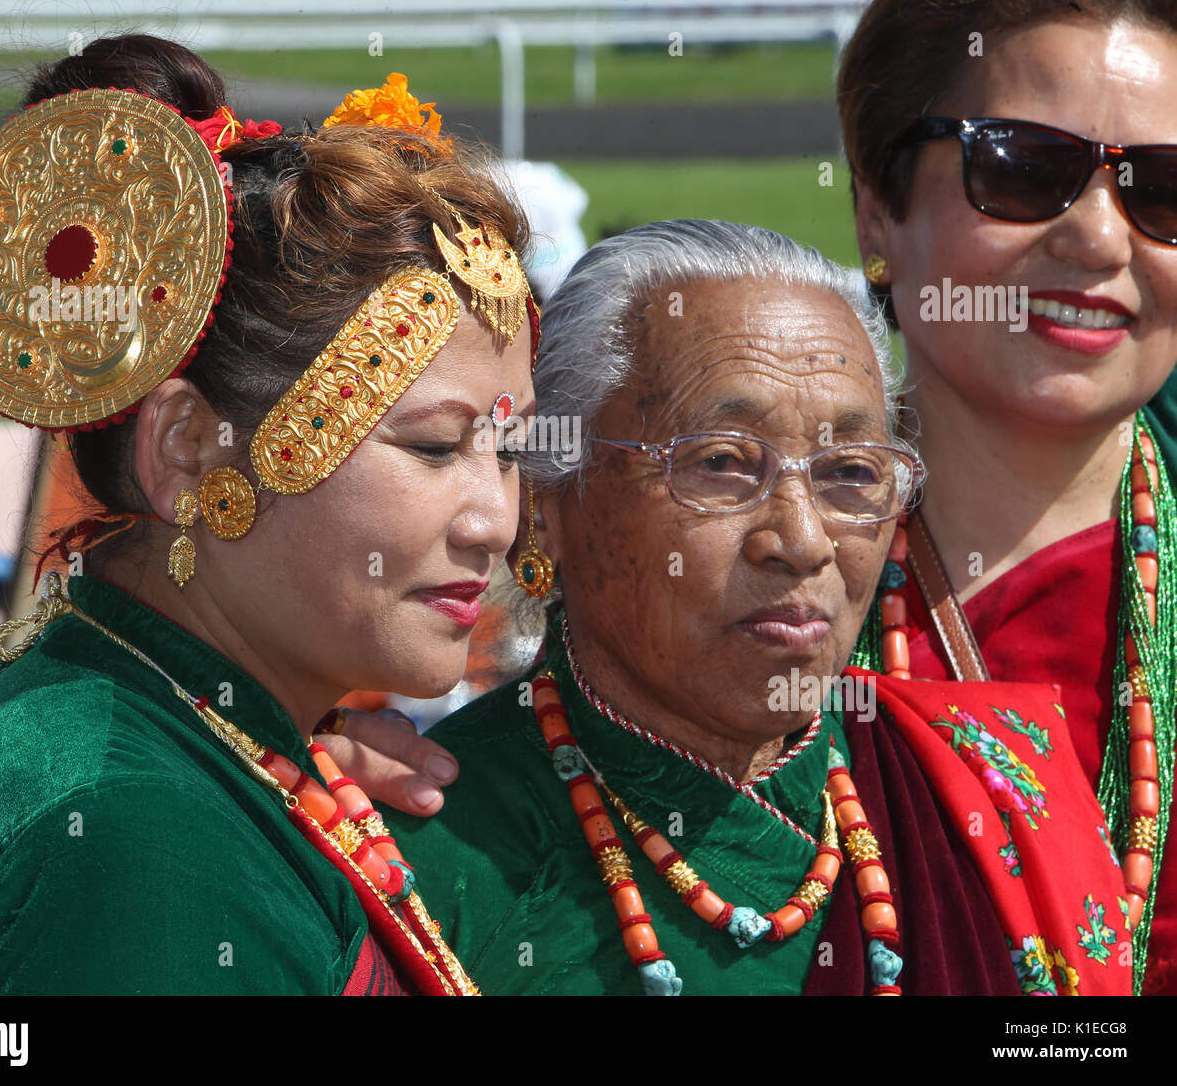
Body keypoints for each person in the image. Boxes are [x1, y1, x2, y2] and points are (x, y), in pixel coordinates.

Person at [0, 35, 536, 995]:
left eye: (508, 451)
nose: (494, 520)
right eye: (435, 447)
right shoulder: (135, 836)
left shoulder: (150, 740)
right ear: (189, 449)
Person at [388, 220, 1130, 996]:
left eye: (851, 470)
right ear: (546, 504)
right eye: (720, 463)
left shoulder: (995, 790)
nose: (804, 541)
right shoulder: (428, 860)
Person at [838, 0, 1177, 993]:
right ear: (878, 212)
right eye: (1024, 166)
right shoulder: (729, 593)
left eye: (1162, 189)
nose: (1094, 235)